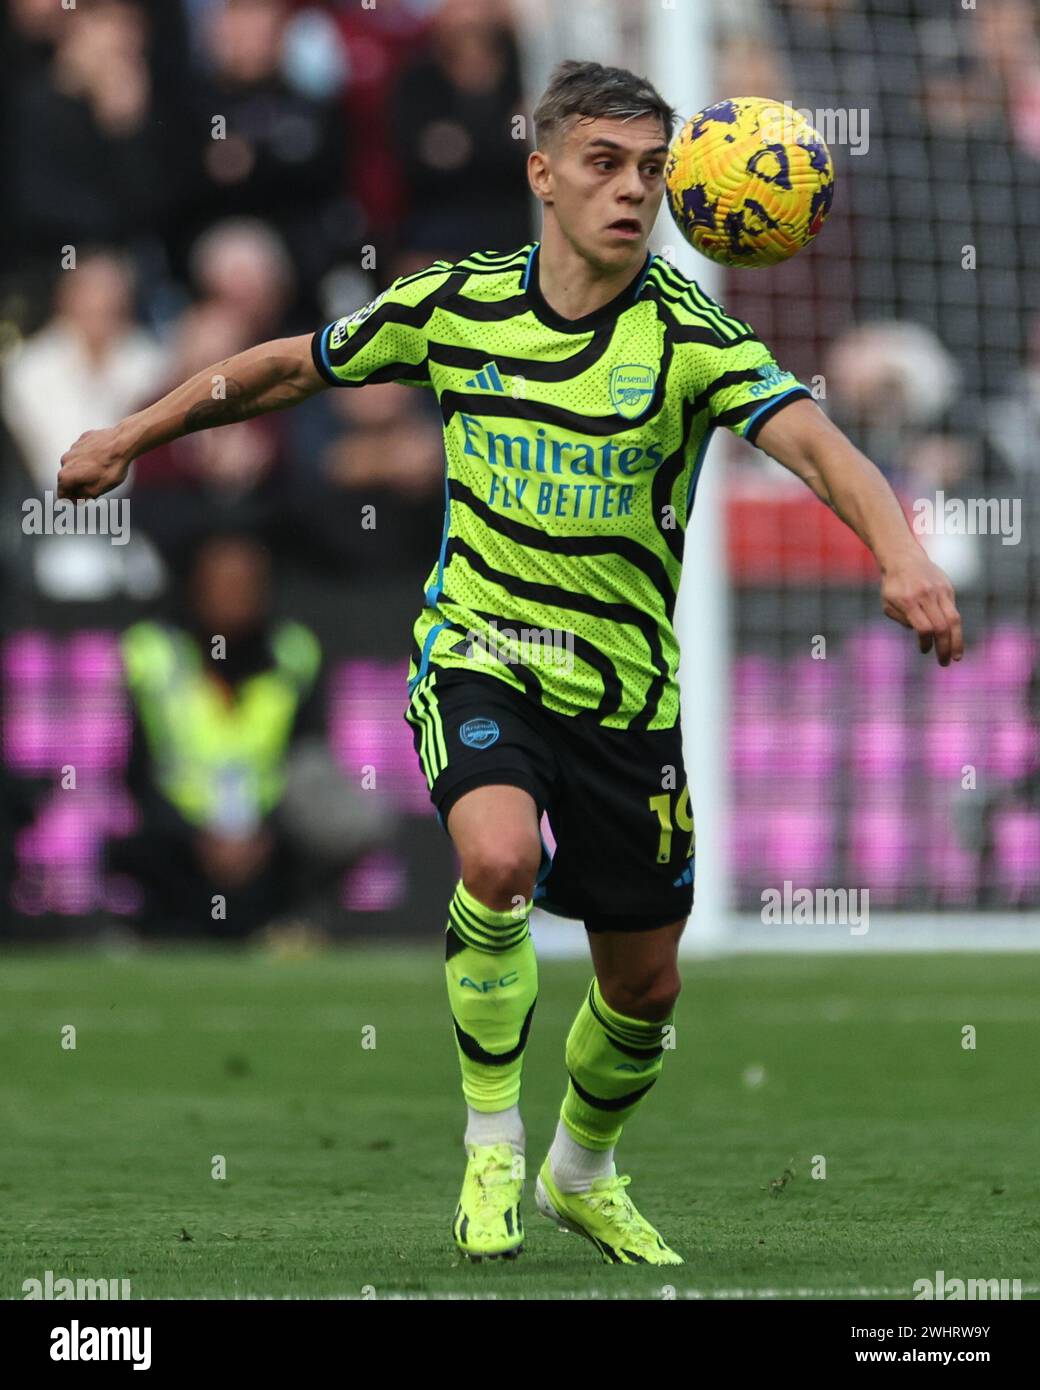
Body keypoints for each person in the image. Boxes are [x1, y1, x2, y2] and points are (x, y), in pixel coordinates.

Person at [57, 60, 964, 1266]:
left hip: (625, 698)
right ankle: (491, 1144)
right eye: (602, 164)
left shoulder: (691, 337)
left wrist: (900, 554)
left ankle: (578, 1171)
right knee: (492, 859)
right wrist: (129, 430)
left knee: (643, 992)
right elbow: (284, 367)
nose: (630, 191)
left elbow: (825, 452)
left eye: (650, 169)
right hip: (479, 652)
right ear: (542, 173)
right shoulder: (454, 305)